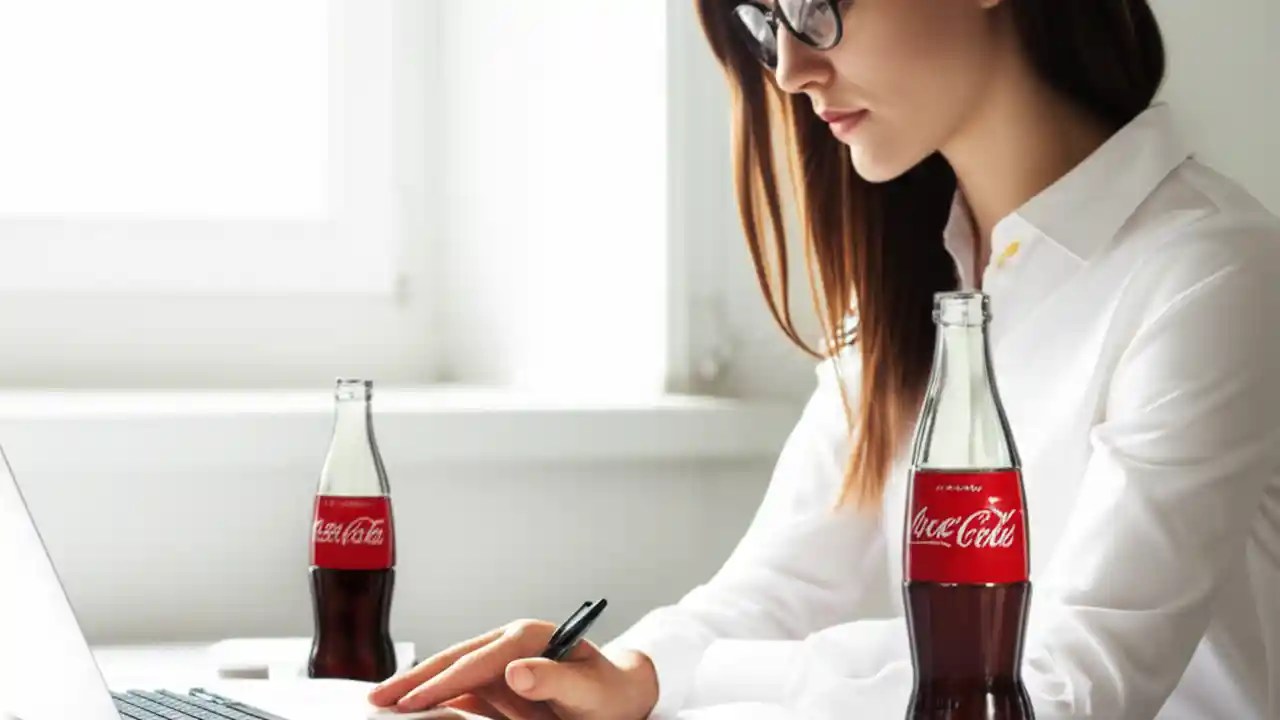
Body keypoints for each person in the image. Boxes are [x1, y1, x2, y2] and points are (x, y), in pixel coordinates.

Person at [370, 0, 1280, 717]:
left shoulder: (1208, 273)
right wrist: (626, 672)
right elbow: (784, 585)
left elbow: (1059, 689)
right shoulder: (912, 293)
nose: (790, 69)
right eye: (765, 19)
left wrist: (692, 677)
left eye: (814, 6)